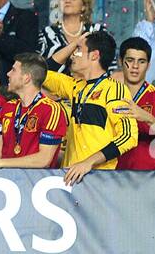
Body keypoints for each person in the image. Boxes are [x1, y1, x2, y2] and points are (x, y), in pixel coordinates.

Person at [41, 30, 140, 183]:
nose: (73, 55)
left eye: (79, 50)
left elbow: (128, 137)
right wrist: (75, 43)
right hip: (70, 177)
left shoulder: (114, 90)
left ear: (94, 55)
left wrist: (89, 162)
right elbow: (41, 72)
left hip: (99, 179)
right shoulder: (75, 86)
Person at [0, 52, 67, 175]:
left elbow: (44, 160)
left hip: (34, 181)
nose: (8, 74)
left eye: (14, 70)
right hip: (9, 179)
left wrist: (1, 163)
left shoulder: (50, 109)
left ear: (26, 78)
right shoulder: (8, 107)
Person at [110, 37, 155, 170]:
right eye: (130, 60)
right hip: (118, 176)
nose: (135, 66)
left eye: (141, 61)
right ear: (120, 61)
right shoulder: (111, 96)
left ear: (148, 65)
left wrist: (148, 118)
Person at [39, 0, 107, 72]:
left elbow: (109, 65)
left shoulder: (97, 31)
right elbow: (38, 69)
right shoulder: (47, 34)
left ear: (83, 6)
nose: (67, 1)